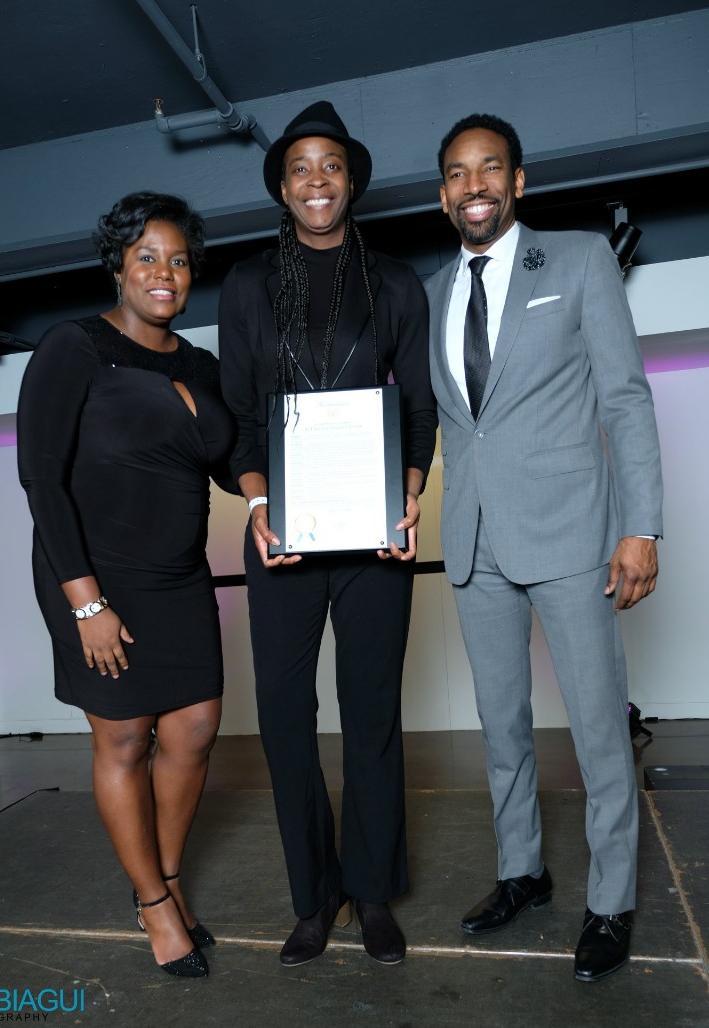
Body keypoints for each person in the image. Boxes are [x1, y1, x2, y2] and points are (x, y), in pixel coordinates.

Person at [426, 114, 663, 982]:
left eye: (491, 168)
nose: (474, 184)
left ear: (518, 181)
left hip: (572, 536)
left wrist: (641, 527)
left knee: (599, 731)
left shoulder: (577, 260)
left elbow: (626, 400)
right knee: (502, 728)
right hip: (475, 541)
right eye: (458, 173)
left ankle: (610, 903)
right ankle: (522, 870)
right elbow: (450, 422)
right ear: (443, 194)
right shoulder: (429, 291)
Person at [219, 101, 437, 967]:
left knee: (373, 712)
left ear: (352, 181)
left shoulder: (394, 284)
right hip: (283, 534)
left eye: (332, 165)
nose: (317, 179)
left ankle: (373, 891)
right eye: (301, 166)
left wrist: (410, 495)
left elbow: (416, 408)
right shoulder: (245, 286)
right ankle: (315, 897)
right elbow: (238, 413)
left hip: (373, 534)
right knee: (283, 716)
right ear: (283, 184)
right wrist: (259, 506)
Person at [17, 191, 237, 980]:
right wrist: (87, 603)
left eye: (178, 259)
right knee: (124, 736)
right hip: (96, 578)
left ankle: (169, 878)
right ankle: (152, 906)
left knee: (195, 728)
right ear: (117, 264)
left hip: (179, 577)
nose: (164, 272)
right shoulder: (72, 347)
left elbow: (233, 463)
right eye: (147, 255)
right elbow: (42, 478)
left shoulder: (200, 366)